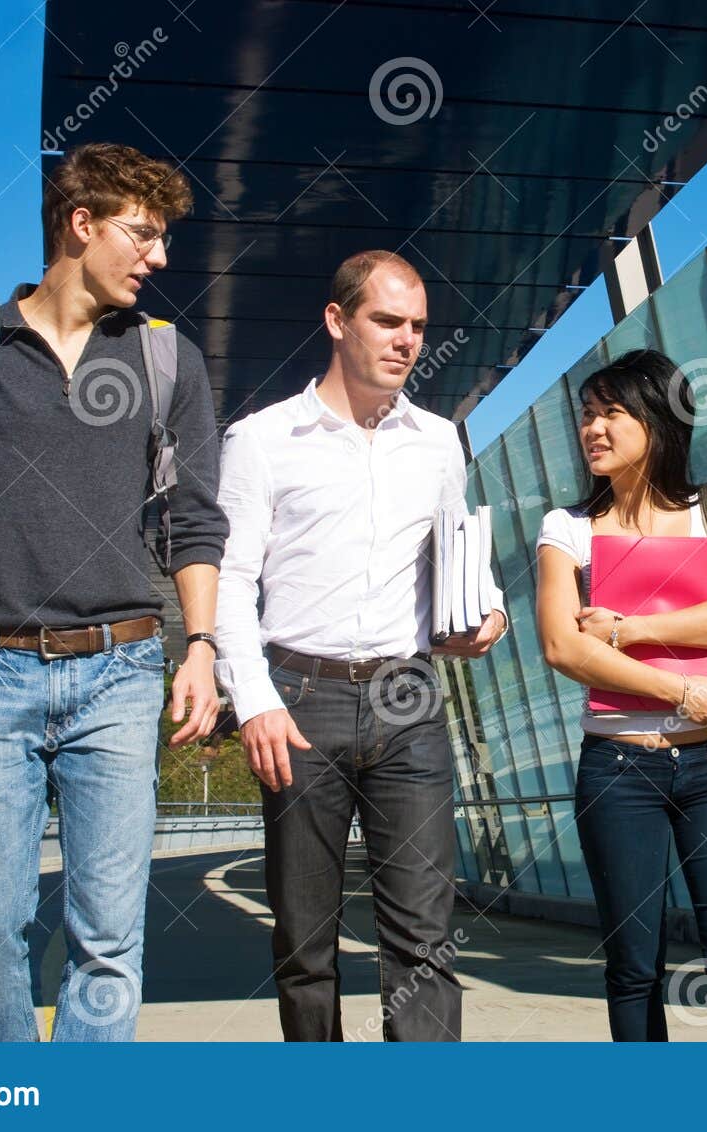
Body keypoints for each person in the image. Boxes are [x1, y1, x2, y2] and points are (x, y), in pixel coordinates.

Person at [0, 142, 227, 1041]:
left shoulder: (167, 362)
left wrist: (200, 647)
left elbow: (193, 523)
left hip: (120, 674)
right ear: (82, 225)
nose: (159, 258)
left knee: (109, 942)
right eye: (143, 234)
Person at [213, 250, 506, 1042]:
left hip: (408, 698)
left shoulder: (440, 442)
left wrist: (487, 611)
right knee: (306, 945)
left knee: (422, 941)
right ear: (337, 321)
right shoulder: (261, 441)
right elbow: (230, 584)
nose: (407, 340)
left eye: (417, 326)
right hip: (299, 704)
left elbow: (458, 557)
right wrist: (256, 703)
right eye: (387, 321)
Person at [534, 348, 707, 1042]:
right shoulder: (568, 528)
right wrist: (678, 687)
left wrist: (627, 628)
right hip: (618, 769)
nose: (593, 428)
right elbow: (563, 648)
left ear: (659, 420)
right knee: (634, 966)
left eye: (611, 412)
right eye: (586, 414)